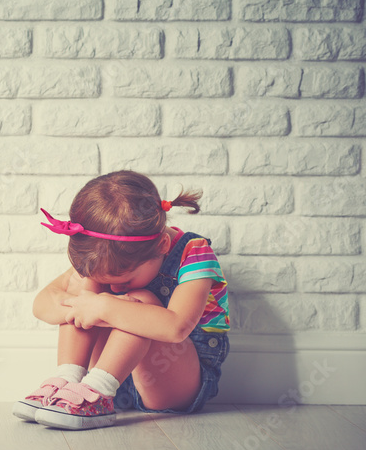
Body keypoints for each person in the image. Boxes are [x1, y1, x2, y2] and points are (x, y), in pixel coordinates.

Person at [13, 170, 229, 430]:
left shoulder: (194, 252)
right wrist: (85, 301)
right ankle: (69, 381)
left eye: (123, 280)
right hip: (107, 379)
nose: (114, 285)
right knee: (84, 291)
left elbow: (176, 328)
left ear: (161, 245)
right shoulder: (108, 255)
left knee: (140, 300)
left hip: (173, 381)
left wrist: (104, 305)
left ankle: (98, 393)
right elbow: (41, 305)